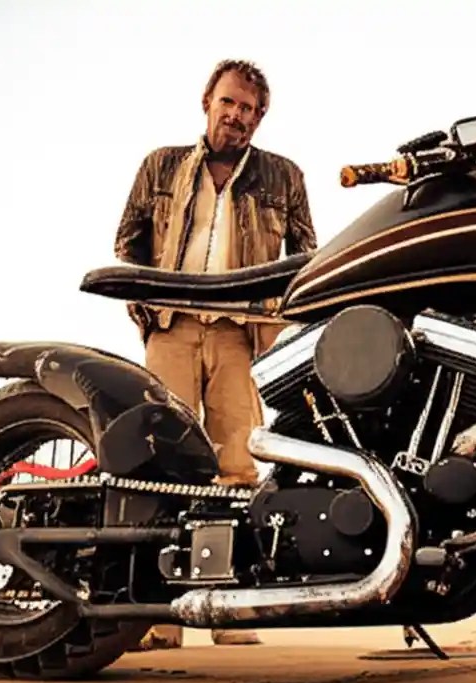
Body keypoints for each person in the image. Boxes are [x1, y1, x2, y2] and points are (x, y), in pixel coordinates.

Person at [112, 59, 317, 651]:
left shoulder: (284, 176)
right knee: (162, 471)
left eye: (251, 110)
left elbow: (307, 253)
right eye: (230, 103)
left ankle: (230, 615)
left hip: (241, 335)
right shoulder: (162, 165)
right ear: (207, 101)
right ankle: (160, 620)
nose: (238, 117)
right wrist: (145, 302)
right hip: (171, 330)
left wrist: (279, 316)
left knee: (237, 469)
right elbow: (128, 240)